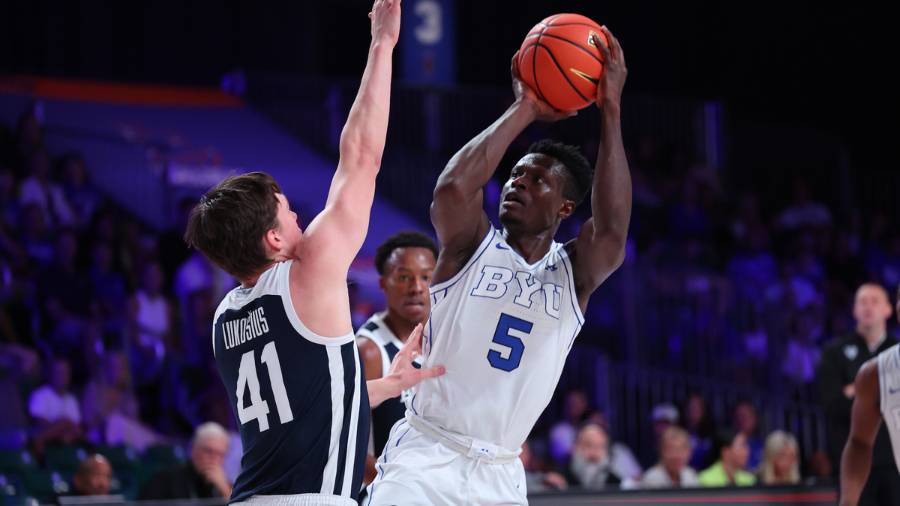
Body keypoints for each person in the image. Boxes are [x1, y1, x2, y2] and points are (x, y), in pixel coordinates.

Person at [182, 2, 444, 504]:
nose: (300, 217)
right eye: (288, 212)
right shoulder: (307, 274)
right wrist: (383, 44)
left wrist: (387, 386)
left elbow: (303, 410)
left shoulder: (224, 317)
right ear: (273, 240)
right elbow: (361, 157)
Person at [367, 27, 630, 505]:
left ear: (566, 208)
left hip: (501, 472)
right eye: (515, 174)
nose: (518, 183)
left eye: (537, 179)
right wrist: (525, 106)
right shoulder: (470, 245)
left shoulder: (572, 274)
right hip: (426, 456)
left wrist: (610, 109)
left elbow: (612, 231)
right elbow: (452, 190)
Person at [356, 231, 437, 481]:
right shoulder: (369, 350)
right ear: (383, 283)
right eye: (404, 277)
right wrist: (399, 486)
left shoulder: (449, 337)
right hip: (387, 488)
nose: (416, 287)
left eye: (426, 277)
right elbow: (348, 445)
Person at [818, 282, 899, 502]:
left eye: (875, 301)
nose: (868, 307)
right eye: (862, 302)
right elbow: (832, 406)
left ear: (888, 309)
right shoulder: (837, 353)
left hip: (893, 466)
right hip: (860, 466)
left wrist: (859, 394)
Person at [139, 422, 232, 500]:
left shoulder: (226, 486)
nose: (214, 459)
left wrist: (225, 490)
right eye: (209, 451)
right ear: (193, 450)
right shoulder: (166, 479)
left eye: (220, 455)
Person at [28, 357, 83, 455]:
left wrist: (64, 427)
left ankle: (42, 440)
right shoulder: (39, 395)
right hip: (47, 444)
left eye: (65, 372)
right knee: (65, 422)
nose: (62, 376)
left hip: (66, 443)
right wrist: (63, 426)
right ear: (50, 374)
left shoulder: (72, 399)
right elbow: (40, 423)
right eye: (58, 372)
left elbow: (76, 428)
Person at [563, 423, 622, 490]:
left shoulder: (616, 484)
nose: (594, 454)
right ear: (575, 448)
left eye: (600, 447)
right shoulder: (559, 480)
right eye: (588, 445)